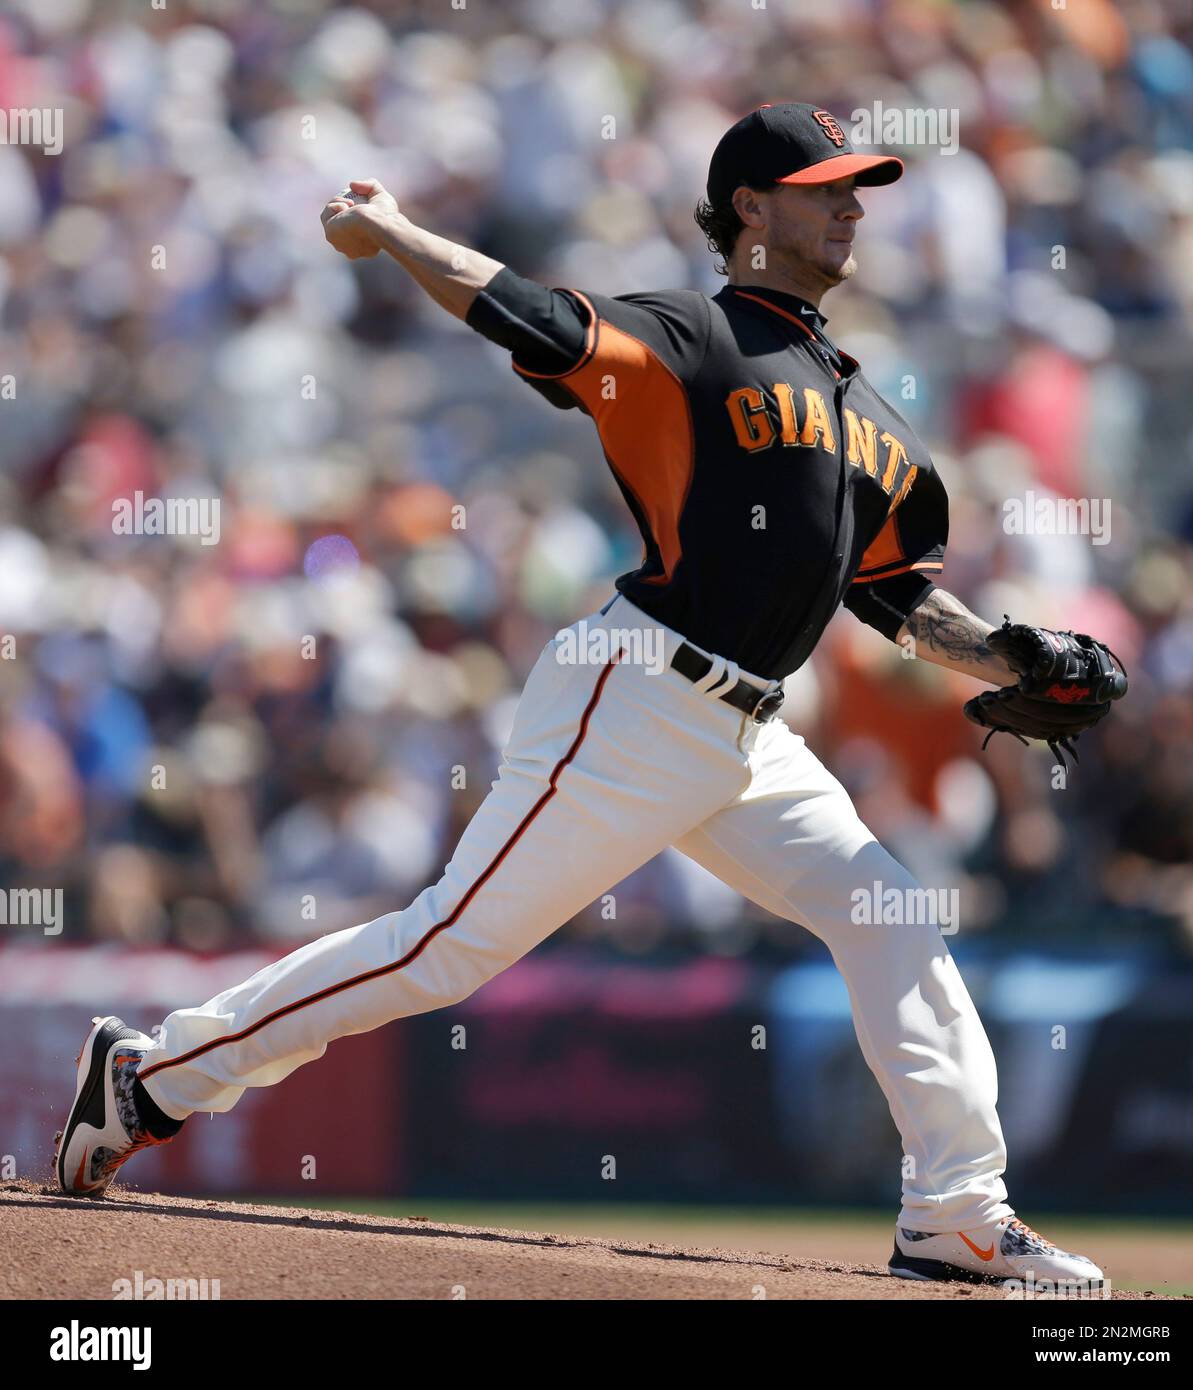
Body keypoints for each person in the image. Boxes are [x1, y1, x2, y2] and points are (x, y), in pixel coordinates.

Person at [57, 103, 1109, 1289]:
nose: (849, 205)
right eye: (821, 186)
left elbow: (892, 599)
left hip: (754, 735)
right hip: (637, 695)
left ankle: (956, 1214)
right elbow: (534, 315)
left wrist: (1011, 659)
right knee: (442, 952)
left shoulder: (872, 417)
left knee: (890, 917)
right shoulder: (695, 335)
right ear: (749, 207)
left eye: (855, 188)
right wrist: (399, 231)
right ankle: (152, 1077)